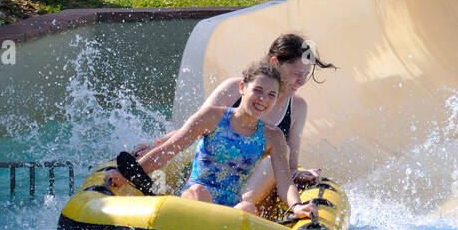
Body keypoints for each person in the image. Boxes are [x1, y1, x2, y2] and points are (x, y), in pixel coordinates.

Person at [135, 32, 335, 207]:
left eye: (306, 75)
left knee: (264, 175)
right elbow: (192, 128)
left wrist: (299, 179)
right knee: (201, 191)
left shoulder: (296, 109)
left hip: (247, 193)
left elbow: (289, 165)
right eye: (296, 74)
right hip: (208, 179)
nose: (301, 81)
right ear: (274, 63)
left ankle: (238, 209)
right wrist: (156, 144)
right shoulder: (233, 90)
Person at [109, 62, 314, 218]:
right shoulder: (212, 117)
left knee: (248, 208)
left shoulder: (273, 137)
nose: (263, 99)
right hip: (194, 196)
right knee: (199, 193)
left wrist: (296, 207)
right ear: (242, 87)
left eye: (271, 94)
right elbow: (169, 150)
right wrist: (127, 174)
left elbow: (284, 181)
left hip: (231, 207)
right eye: (258, 90)